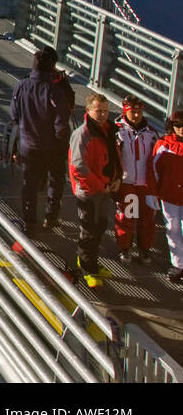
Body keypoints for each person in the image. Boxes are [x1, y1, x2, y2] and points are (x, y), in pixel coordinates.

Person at [10, 46, 75, 237]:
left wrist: (14, 145)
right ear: (53, 66)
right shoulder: (55, 91)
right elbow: (61, 123)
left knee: (28, 185)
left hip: (27, 145)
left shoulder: (21, 86)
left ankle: (29, 223)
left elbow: (14, 116)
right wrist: (61, 144)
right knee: (56, 180)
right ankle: (51, 216)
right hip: (52, 147)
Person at [68, 93, 122, 288]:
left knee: (99, 226)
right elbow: (78, 167)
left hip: (104, 187)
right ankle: (87, 268)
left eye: (106, 111)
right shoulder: (82, 135)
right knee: (88, 229)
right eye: (99, 111)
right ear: (88, 110)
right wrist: (102, 185)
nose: (103, 115)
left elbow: (115, 156)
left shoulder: (107, 131)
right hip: (89, 190)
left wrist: (117, 179)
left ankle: (89, 262)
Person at [114, 96, 159, 265]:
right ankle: (124, 247)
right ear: (125, 111)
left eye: (140, 111)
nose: (137, 115)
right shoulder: (117, 131)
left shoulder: (152, 133)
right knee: (128, 216)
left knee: (148, 218)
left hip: (147, 184)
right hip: (127, 183)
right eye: (133, 111)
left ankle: (144, 248)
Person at [148, 111, 183, 282]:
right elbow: (154, 170)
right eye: (178, 125)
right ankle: (178, 265)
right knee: (173, 230)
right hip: (169, 196)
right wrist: (153, 193)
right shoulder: (164, 144)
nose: (181, 129)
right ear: (172, 126)